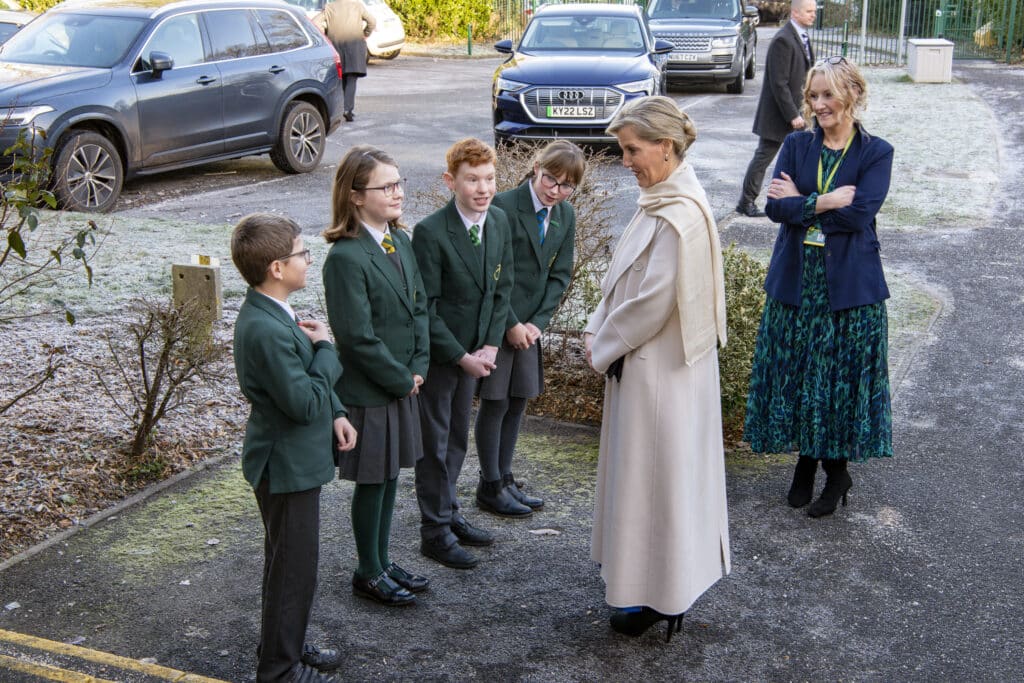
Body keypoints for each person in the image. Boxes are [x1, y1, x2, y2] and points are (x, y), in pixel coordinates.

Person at [585, 96, 730, 641]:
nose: (625, 160)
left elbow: (653, 300)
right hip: (646, 367)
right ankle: (648, 587)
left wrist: (601, 345)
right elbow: (621, 277)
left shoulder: (679, 214)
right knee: (648, 482)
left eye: (632, 149)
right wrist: (599, 325)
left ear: (665, 147)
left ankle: (662, 595)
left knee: (659, 484)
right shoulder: (660, 197)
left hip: (661, 374)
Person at [744, 57, 894, 518]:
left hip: (850, 288)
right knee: (802, 375)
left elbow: (859, 216)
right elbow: (774, 209)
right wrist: (824, 200)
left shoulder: (876, 152)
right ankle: (804, 464)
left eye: (828, 94)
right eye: (813, 95)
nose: (819, 104)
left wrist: (801, 204)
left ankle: (837, 471)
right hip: (795, 281)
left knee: (839, 381)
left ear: (852, 94)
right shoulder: (794, 145)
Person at [230, 213, 358, 683]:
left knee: (287, 563)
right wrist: (326, 349)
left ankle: (283, 644)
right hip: (285, 465)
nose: (309, 260)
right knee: (293, 570)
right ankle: (279, 670)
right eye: (303, 254)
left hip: (293, 460)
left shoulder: (276, 315)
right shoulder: (265, 329)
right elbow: (304, 403)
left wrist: (338, 413)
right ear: (277, 269)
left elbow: (310, 395)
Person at [322, 146, 431, 607]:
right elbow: (356, 337)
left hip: (405, 382)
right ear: (355, 195)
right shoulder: (346, 258)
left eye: (399, 183)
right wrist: (400, 378)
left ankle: (382, 560)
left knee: (390, 478)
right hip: (372, 389)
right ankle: (367, 570)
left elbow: (421, 307)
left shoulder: (400, 240)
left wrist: (420, 366)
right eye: (386, 186)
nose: (397, 192)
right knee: (372, 479)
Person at [411, 138, 514, 569]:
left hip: (477, 353)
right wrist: (461, 356)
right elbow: (425, 308)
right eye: (472, 179)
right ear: (450, 181)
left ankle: (449, 511)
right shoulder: (431, 232)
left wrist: (490, 343)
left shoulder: (500, 222)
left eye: (489, 178)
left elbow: (500, 289)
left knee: (457, 436)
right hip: (442, 357)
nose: (483, 187)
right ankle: (433, 530)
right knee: (434, 442)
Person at [474, 140, 585, 517]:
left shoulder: (565, 214)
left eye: (567, 186)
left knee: (518, 399)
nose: (556, 191)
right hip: (498, 321)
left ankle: (505, 477)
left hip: (530, 328)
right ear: (536, 168)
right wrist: (510, 324)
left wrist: (537, 324)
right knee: (495, 401)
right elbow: (491, 272)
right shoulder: (504, 206)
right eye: (551, 180)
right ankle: (489, 483)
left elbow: (560, 273)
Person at [736, 0, 817, 217]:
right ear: (795, 13)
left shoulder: (801, 36)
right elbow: (778, 83)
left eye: (814, 11)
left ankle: (795, 198)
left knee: (800, 158)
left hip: (799, 113)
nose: (813, 15)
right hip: (779, 116)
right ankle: (746, 202)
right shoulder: (783, 39)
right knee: (763, 158)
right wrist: (792, 115)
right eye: (809, 12)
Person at [316, 0, 376, 122]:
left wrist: (325, 36)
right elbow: (372, 22)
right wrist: (365, 34)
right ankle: (347, 109)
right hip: (354, 48)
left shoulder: (329, 7)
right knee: (351, 78)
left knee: (339, 79)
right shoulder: (357, 6)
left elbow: (315, 22)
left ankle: (339, 109)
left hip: (336, 47)